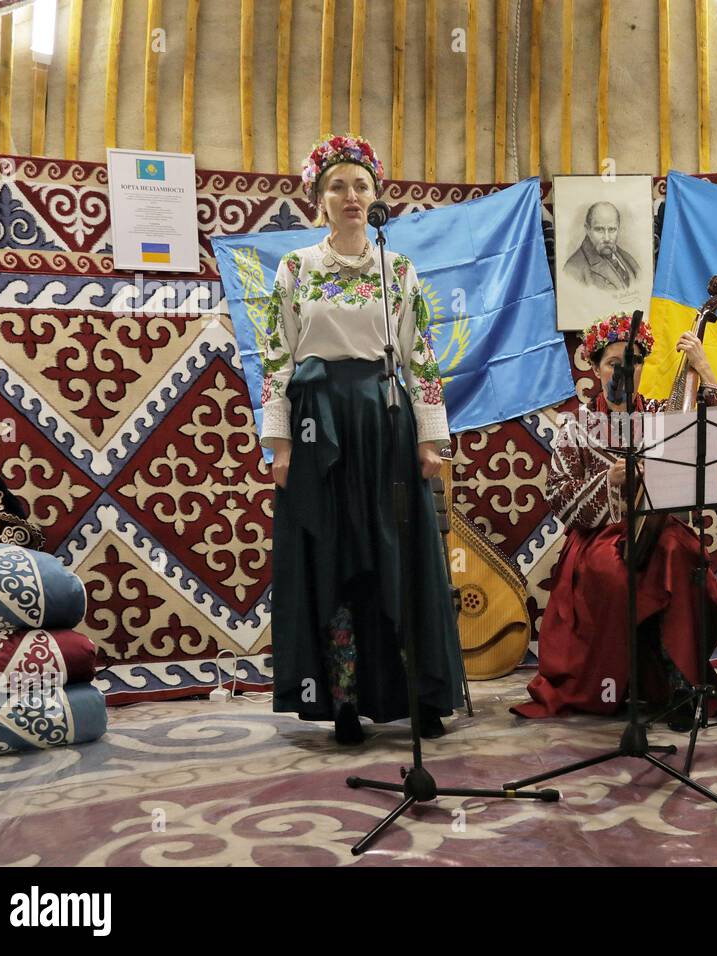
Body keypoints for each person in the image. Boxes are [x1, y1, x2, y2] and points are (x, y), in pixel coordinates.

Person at [259, 133, 463, 745]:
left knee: (398, 556)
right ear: (318, 200)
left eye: (360, 186)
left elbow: (419, 356)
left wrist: (430, 438)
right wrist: (280, 443)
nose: (350, 196)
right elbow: (277, 356)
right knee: (337, 560)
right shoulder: (296, 269)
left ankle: (417, 694)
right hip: (321, 428)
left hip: (385, 422)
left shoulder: (396, 269)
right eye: (337, 187)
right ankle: (344, 700)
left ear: (378, 198)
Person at [513, 313, 717, 726]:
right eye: (615, 362)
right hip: (596, 538)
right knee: (616, 575)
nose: (624, 370)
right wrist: (607, 480)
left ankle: (679, 684)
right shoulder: (574, 425)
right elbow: (561, 501)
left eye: (634, 361)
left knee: (681, 553)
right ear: (595, 369)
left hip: (657, 526)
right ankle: (635, 684)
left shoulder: (660, 413)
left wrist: (703, 369)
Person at [562, 202, 640, 291]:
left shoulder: (628, 258)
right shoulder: (572, 271)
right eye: (599, 229)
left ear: (618, 229)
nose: (607, 238)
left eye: (612, 229)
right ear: (587, 230)